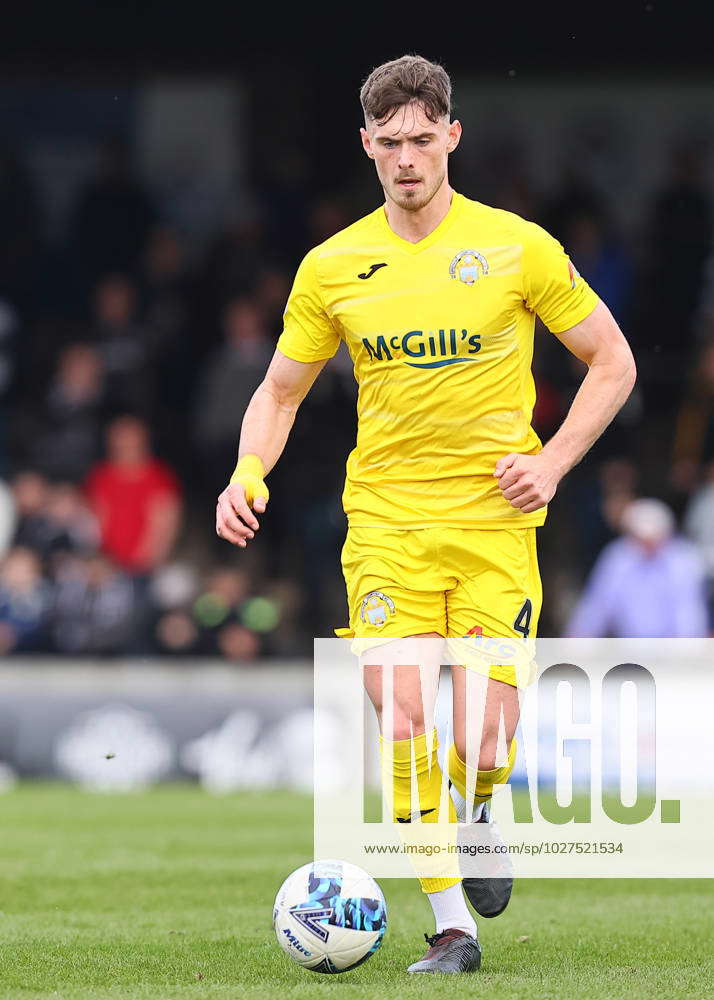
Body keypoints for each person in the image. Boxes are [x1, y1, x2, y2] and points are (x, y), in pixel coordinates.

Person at [215, 55, 636, 974]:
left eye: (421, 139)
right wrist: (247, 472)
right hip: (388, 526)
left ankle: (481, 806)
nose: (407, 159)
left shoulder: (519, 247)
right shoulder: (333, 266)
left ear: (452, 136)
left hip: (493, 523)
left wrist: (554, 462)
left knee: (483, 740)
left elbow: (613, 361)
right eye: (389, 143)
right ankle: (452, 927)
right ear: (367, 146)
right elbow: (280, 392)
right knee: (403, 721)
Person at [567, 498, 708, 638]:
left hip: (672, 649)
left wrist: (685, 652)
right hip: (627, 648)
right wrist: (577, 640)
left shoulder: (684, 560)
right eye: (640, 539)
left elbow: (688, 614)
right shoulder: (618, 557)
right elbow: (597, 606)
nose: (647, 546)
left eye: (653, 539)